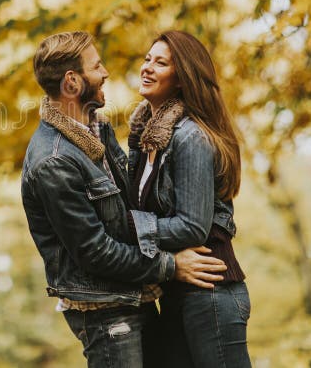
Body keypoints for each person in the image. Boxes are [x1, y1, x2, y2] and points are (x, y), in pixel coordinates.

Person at [21, 31, 228, 368]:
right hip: (106, 314)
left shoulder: (96, 131)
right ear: (72, 83)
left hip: (136, 297)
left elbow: (129, 208)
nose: (105, 73)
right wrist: (171, 266)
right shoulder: (54, 161)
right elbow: (96, 252)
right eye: (97, 66)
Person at [127, 30, 251, 367]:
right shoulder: (145, 141)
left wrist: (127, 227)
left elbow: (193, 227)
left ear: (182, 79)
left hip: (211, 293)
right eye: (147, 59)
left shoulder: (190, 137)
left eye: (161, 63)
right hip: (175, 290)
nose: (147, 68)